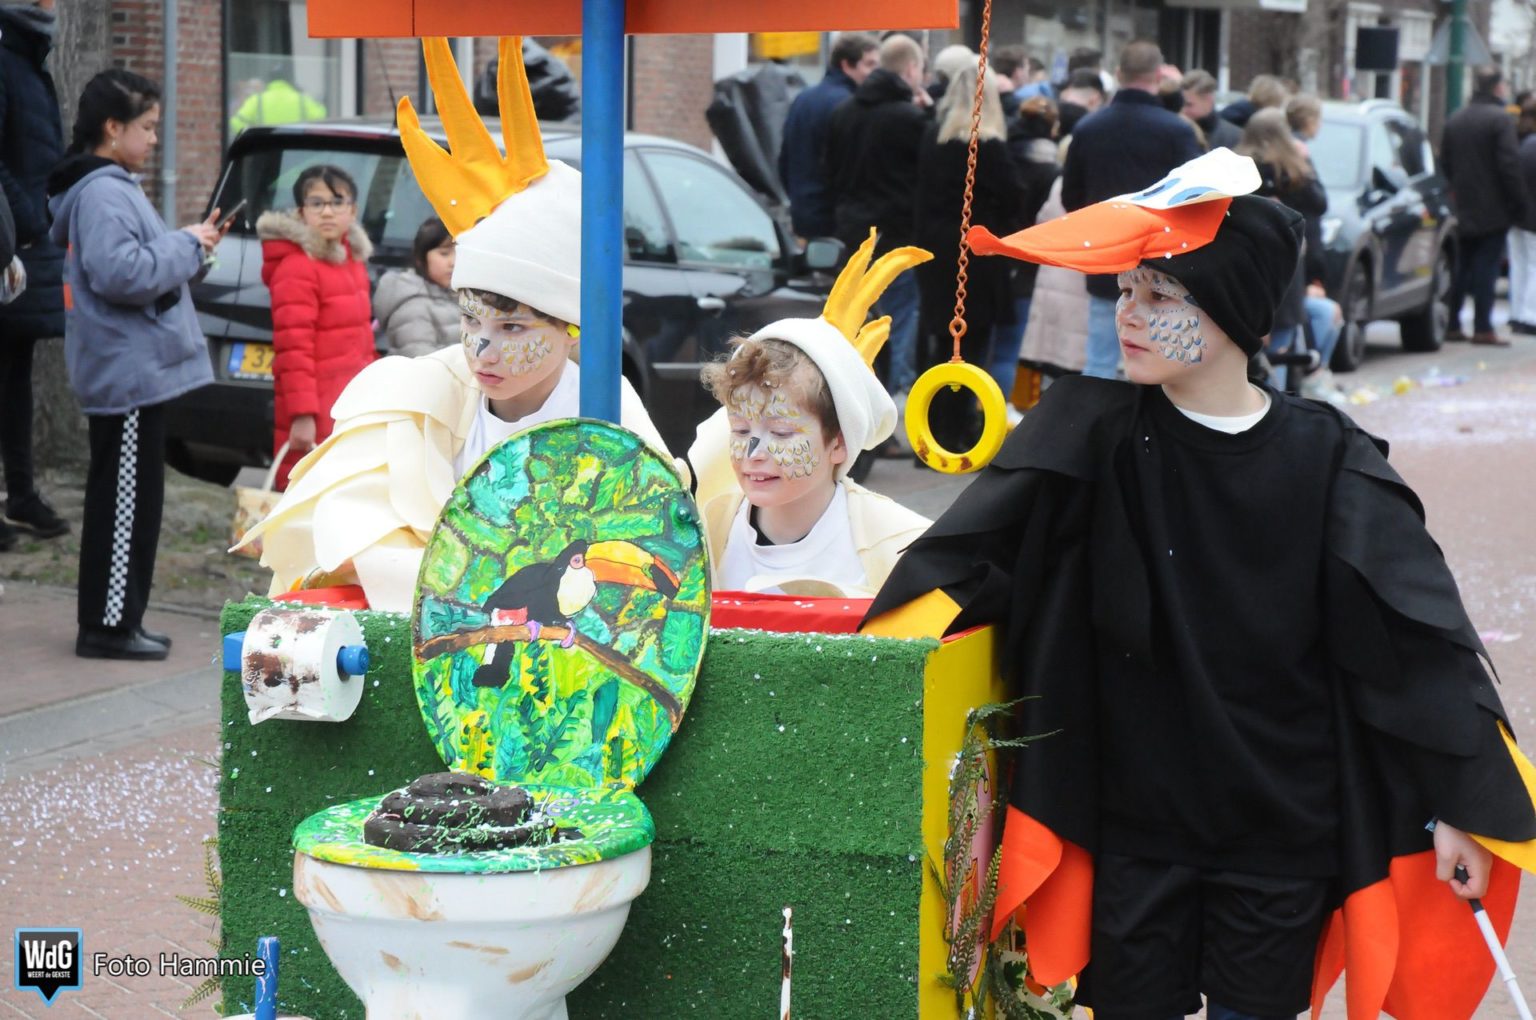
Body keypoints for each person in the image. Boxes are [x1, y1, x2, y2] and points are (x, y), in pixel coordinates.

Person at [866, 148, 1536, 1019]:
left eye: (1159, 295)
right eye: (1127, 291)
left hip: (1283, 832)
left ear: (1229, 311)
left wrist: (1462, 802)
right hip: (1134, 828)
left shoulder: (1329, 457)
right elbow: (974, 563)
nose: (1128, 314)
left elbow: (1413, 639)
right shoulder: (1089, 438)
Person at [236, 38, 675, 614]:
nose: (483, 349)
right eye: (471, 319)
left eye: (514, 328)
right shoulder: (421, 393)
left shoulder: (605, 403)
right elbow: (347, 538)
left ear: (571, 327)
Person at [47, 69, 223, 660]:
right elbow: (121, 272)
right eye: (146, 128)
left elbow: (131, 263)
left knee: (133, 504)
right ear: (112, 127)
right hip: (126, 376)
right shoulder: (103, 192)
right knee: (125, 508)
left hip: (134, 371)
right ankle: (108, 627)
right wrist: (185, 245)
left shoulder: (110, 186)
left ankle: (121, 619)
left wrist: (185, 246)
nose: (154, 140)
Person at [689, 233, 932, 596]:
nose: (754, 452)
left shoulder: (897, 546)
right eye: (740, 430)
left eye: (782, 433)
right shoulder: (705, 535)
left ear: (838, 443)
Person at [1061, 39, 1201, 379]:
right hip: (1162, 262)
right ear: (1158, 76)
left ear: (1119, 73)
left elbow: (1071, 197)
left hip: (1105, 254)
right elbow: (1195, 198)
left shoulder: (1088, 128)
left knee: (1100, 361)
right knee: (1161, 360)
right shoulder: (1177, 131)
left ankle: (1097, 430)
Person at [913, 66, 1027, 451]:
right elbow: (1015, 196)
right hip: (975, 255)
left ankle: (930, 428)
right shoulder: (988, 143)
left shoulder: (934, 137)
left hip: (936, 252)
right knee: (972, 347)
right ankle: (958, 432)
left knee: (938, 345)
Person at [257, 163, 377, 489]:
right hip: (315, 410)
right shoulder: (298, 268)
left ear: (352, 210)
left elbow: (361, 341)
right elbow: (293, 349)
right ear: (301, 212)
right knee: (310, 499)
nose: (327, 212)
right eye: (316, 203)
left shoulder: (351, 262)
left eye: (337, 202)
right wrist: (302, 416)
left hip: (350, 405)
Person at [0, 0, 69, 549]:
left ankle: (20, 493)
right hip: (11, 241)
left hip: (25, 242)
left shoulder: (28, 57)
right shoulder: (7, 56)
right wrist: (28, 220)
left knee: (16, 375)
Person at [826, 33, 929, 395]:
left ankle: (853, 398)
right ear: (912, 68)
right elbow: (923, 178)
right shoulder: (911, 118)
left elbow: (832, 173)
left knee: (854, 320)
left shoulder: (843, 113)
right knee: (895, 322)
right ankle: (886, 400)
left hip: (851, 233)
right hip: (896, 234)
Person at [1442, 66, 1528, 345]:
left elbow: (1445, 162)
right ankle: (1482, 326)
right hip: (1493, 209)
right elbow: (1509, 166)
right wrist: (1518, 203)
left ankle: (1452, 323)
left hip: (1462, 205)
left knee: (1461, 267)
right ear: (1497, 87)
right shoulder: (1500, 121)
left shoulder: (1455, 119)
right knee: (1486, 268)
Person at [777, 32, 878, 240]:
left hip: (803, 214)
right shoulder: (850, 106)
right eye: (869, 65)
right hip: (834, 220)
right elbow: (849, 168)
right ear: (846, 65)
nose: (874, 73)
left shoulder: (802, 99)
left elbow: (785, 159)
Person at [374, 216, 459, 357]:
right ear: (420, 258)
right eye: (444, 253)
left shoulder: (453, 293)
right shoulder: (413, 305)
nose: (454, 262)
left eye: (458, 253)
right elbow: (422, 359)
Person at [1508, 99, 1536, 335]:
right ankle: (1530, 316)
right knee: (1534, 266)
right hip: (1532, 217)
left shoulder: (1522, 143)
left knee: (1519, 266)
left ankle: (1517, 313)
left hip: (1517, 216)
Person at [228, 70, 327, 135]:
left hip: (265, 149)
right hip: (295, 149)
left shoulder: (258, 100)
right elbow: (322, 117)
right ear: (289, 81)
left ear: (269, 82)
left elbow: (235, 123)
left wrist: (253, 136)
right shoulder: (302, 99)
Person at [1181, 69, 1240, 150]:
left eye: (1189, 105)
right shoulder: (1177, 131)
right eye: (1181, 104)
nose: (1183, 110)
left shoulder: (1234, 137)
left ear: (1208, 99)